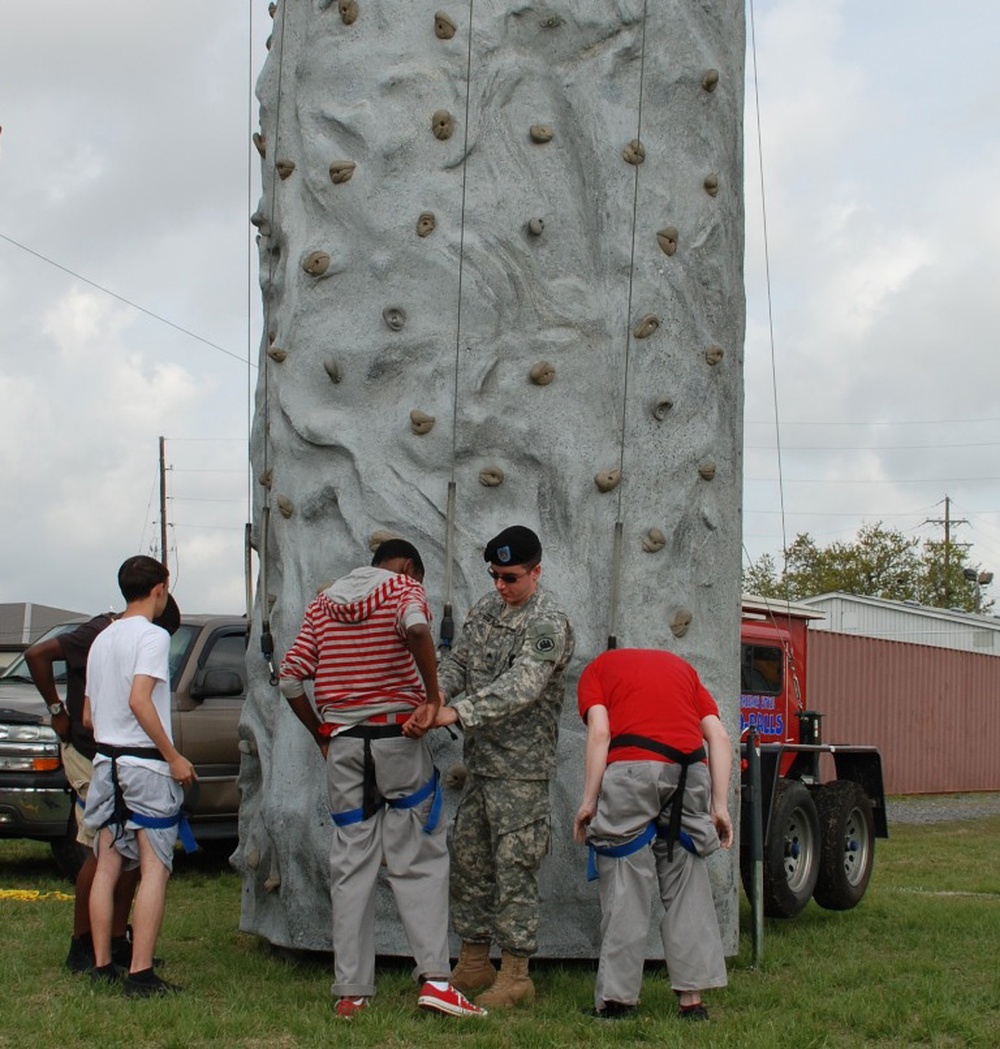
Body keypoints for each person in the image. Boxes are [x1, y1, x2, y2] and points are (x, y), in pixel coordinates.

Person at [279, 538, 485, 1020]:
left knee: (351, 866)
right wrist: (432, 698)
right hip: (397, 742)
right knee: (418, 858)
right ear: (410, 568)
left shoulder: (323, 602)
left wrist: (320, 737)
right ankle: (435, 979)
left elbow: (290, 679)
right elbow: (416, 629)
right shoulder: (401, 590)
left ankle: (351, 991)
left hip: (345, 746)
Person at [434, 525, 574, 1009]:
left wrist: (459, 711)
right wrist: (435, 694)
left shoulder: (548, 621)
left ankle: (516, 974)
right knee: (470, 859)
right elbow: (459, 662)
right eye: (494, 575)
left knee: (515, 868)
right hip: (482, 766)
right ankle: (474, 962)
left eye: (510, 577)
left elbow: (524, 685)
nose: (500, 586)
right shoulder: (487, 610)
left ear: (536, 571)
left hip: (522, 770)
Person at [573, 647, 733, 1021]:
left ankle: (617, 1001)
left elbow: (600, 731)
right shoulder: (684, 671)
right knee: (686, 878)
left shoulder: (595, 672)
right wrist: (720, 807)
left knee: (626, 881)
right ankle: (692, 1002)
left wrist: (588, 802)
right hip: (690, 773)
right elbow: (719, 737)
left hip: (632, 770)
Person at [25, 595, 180, 973]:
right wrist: (57, 710)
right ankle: (83, 943)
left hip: (109, 753)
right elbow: (37, 654)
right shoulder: (97, 633)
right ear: (156, 597)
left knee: (122, 857)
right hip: (94, 753)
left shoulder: (114, 637)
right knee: (101, 854)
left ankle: (111, 944)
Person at [82, 556, 194, 997]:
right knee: (154, 868)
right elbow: (140, 700)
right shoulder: (152, 637)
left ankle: (102, 963)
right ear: (160, 589)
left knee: (107, 863)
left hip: (104, 763)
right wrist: (174, 757)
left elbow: (89, 717)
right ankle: (141, 973)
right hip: (143, 765)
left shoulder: (102, 639)